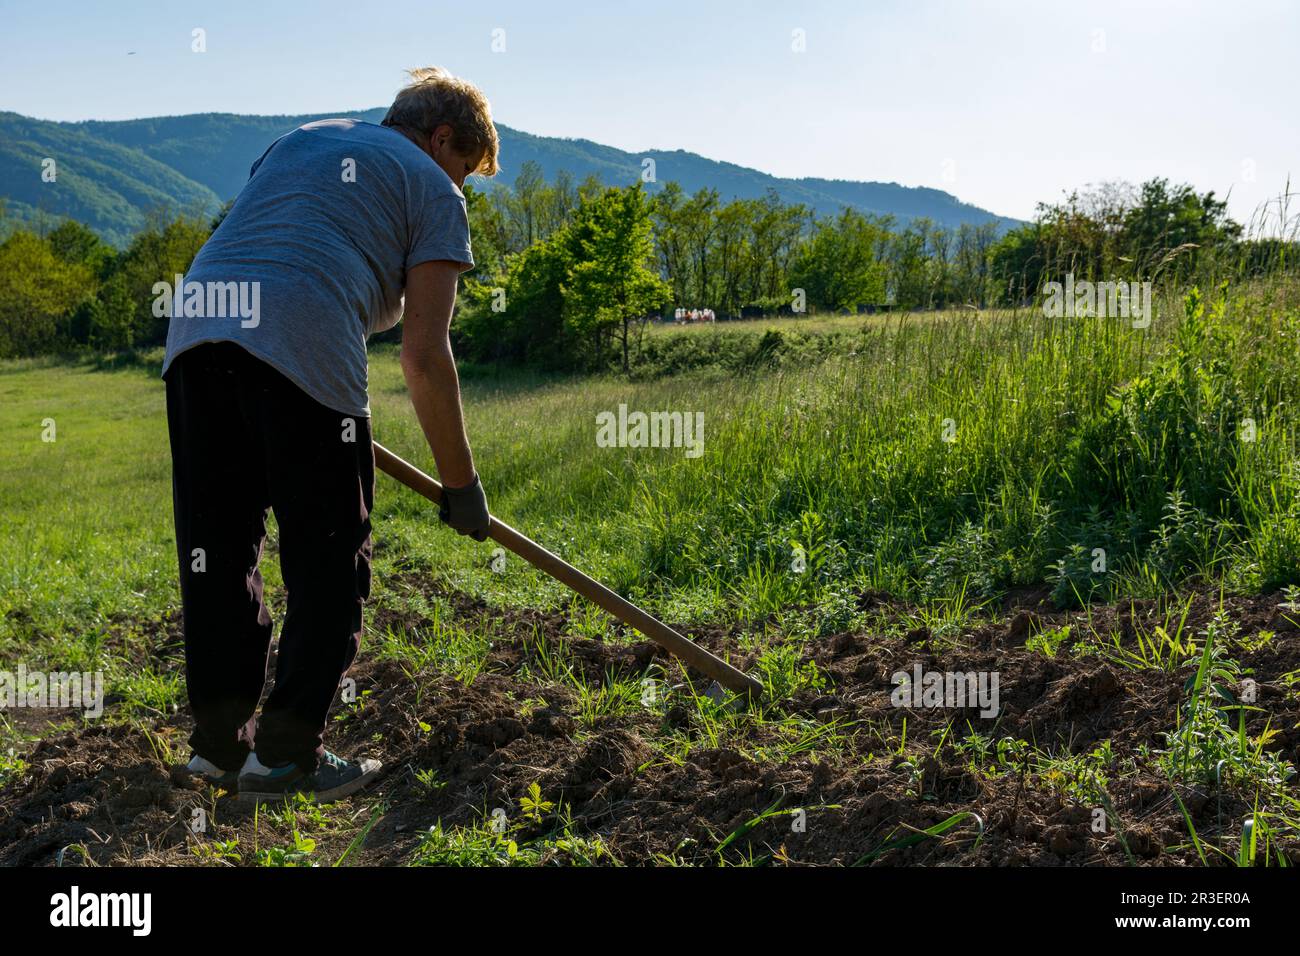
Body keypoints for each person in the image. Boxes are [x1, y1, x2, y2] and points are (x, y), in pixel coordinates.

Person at [161, 67, 498, 803]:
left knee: (217, 554)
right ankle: (283, 760)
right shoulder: (434, 188)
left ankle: (219, 753)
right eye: (465, 170)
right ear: (442, 139)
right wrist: (461, 483)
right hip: (303, 335)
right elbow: (424, 353)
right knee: (328, 564)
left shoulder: (300, 139)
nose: (462, 188)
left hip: (195, 334)